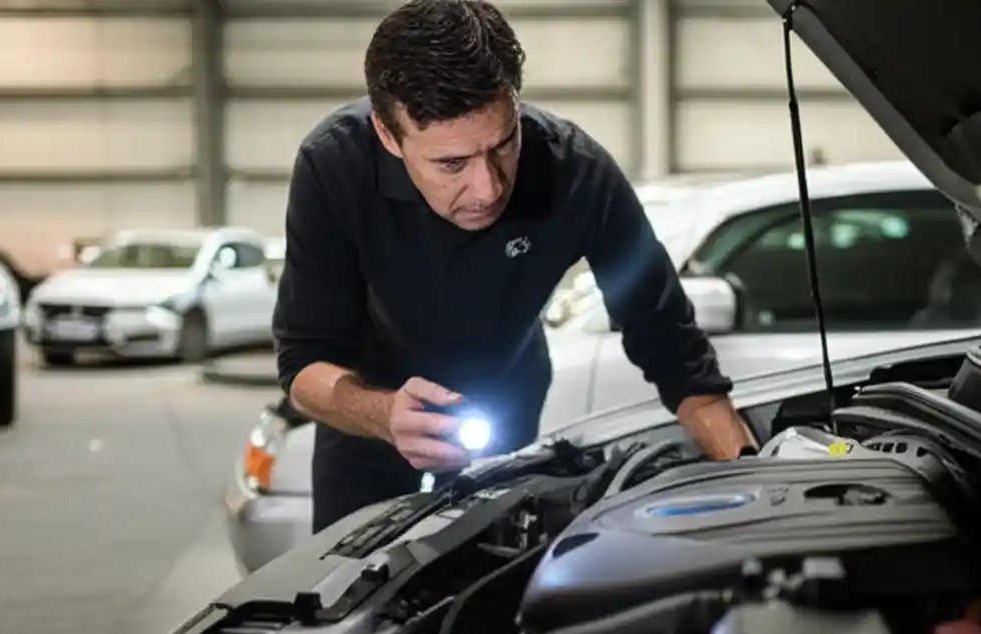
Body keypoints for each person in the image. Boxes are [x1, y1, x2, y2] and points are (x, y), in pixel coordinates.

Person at [274, 0, 757, 532]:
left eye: (503, 145)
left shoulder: (577, 172)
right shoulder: (334, 167)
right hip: (369, 422)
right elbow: (304, 365)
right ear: (389, 137)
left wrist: (753, 482)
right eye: (451, 164)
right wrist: (384, 415)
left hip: (507, 411)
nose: (488, 188)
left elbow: (671, 345)